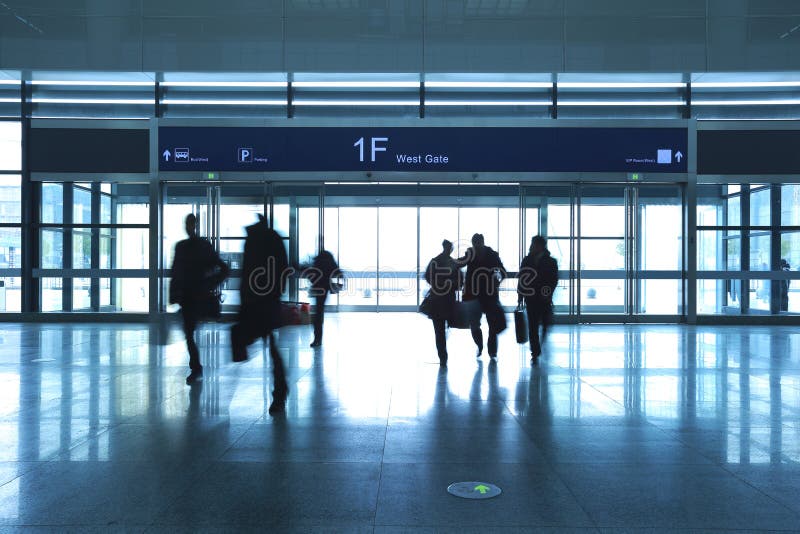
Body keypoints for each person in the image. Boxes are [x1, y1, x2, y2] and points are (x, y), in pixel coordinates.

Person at [231, 214, 290, 415]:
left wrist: (244, 301)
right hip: (268, 300)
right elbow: (282, 269)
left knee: (267, 343)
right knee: (272, 346)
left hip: (254, 302)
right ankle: (280, 391)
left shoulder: (252, 241)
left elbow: (247, 273)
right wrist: (277, 292)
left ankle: (280, 391)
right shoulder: (273, 239)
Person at [169, 213, 229, 385]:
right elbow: (175, 272)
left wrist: (209, 284)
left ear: (193, 225)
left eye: (189, 224)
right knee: (189, 334)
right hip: (192, 296)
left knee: (189, 333)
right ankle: (195, 367)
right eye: (187, 223)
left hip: (193, 296)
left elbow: (176, 272)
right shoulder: (197, 246)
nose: (188, 227)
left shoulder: (190, 247)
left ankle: (196, 367)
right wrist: (210, 284)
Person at [456, 233, 507, 359]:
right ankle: (484, 348)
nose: (476, 246)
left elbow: (502, 272)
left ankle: (489, 350)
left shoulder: (490, 254)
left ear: (482, 242)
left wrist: (498, 280)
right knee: (476, 324)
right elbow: (460, 263)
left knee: (488, 324)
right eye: (475, 244)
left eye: (478, 243)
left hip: (480, 294)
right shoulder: (483, 254)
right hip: (481, 294)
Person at [518, 235, 559, 361]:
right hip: (531, 298)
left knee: (545, 323)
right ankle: (535, 350)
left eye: (534, 244)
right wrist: (520, 295)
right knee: (533, 325)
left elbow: (553, 280)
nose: (532, 246)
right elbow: (522, 278)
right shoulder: (527, 260)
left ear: (541, 246)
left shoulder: (551, 261)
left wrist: (548, 293)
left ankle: (538, 345)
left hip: (544, 298)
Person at [424, 239, 463, 366]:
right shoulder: (453, 263)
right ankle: (443, 356)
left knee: (438, 331)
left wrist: (436, 285)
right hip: (448, 300)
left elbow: (427, 276)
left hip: (436, 300)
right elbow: (460, 281)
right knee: (444, 328)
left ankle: (443, 357)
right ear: (450, 249)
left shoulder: (435, 261)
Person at [299, 249, 342, 348]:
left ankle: (317, 339)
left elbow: (309, 270)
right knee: (319, 312)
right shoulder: (327, 258)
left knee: (318, 313)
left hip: (318, 287)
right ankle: (318, 339)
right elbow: (336, 270)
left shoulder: (319, 259)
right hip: (324, 288)